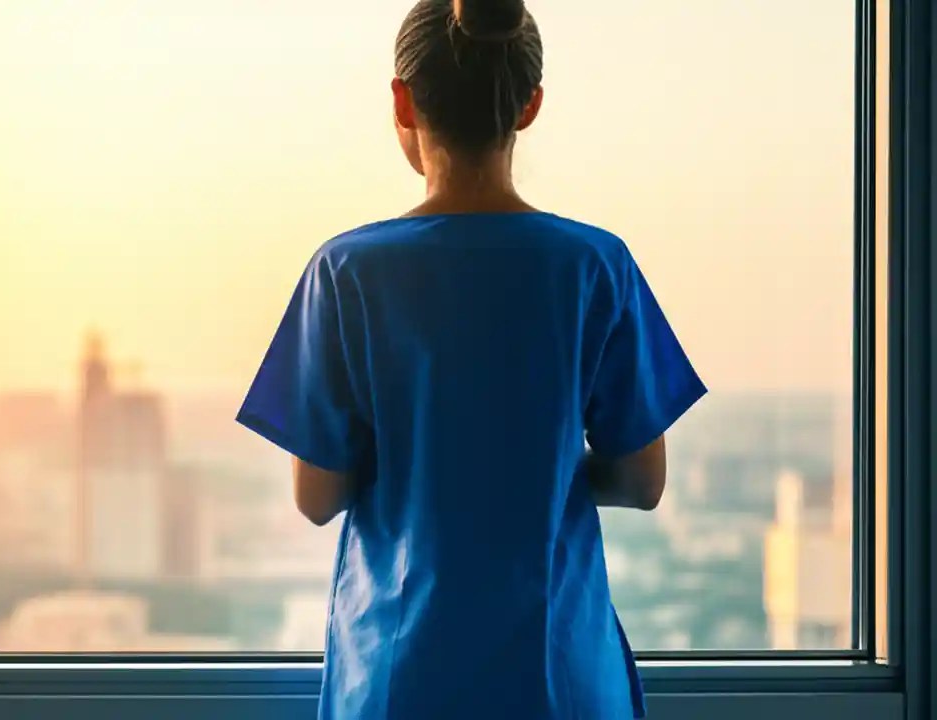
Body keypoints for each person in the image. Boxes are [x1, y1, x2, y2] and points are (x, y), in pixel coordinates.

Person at [236, 0, 707, 717]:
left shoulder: (347, 273)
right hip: (561, 678)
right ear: (530, 105)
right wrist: (537, 468)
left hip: (401, 678)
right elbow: (642, 481)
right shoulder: (594, 266)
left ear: (403, 101)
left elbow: (317, 497)